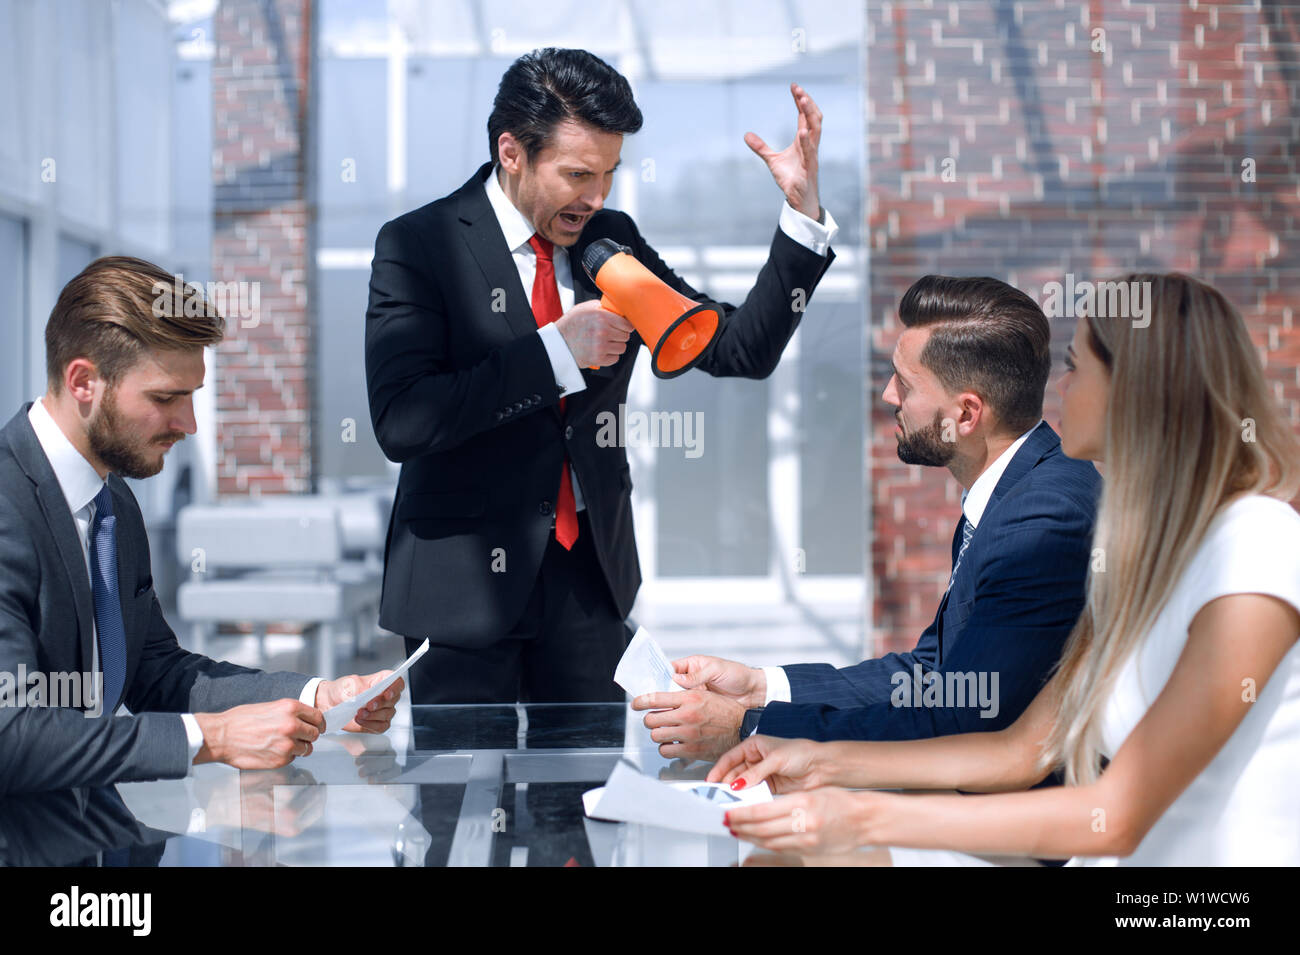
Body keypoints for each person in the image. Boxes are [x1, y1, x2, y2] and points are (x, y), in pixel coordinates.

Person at [711, 273, 1300, 866]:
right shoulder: (1146, 554)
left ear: (1135, 391)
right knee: (777, 857)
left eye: (1077, 366)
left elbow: (1116, 818)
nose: (1061, 387)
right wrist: (813, 758)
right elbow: (1021, 750)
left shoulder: (1254, 546)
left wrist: (860, 813)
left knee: (807, 856)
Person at [365, 47, 838, 705]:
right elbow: (403, 419)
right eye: (578, 174)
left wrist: (801, 219)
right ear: (512, 152)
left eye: (610, 173)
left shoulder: (608, 240)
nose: (596, 196)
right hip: (460, 591)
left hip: (590, 583)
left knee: (581, 799)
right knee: (460, 803)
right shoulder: (421, 245)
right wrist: (557, 354)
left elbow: (736, 350)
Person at [633, 275, 1101, 759]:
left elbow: (960, 719)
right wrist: (760, 687)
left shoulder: (1043, 519)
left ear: (966, 415)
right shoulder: (1015, 493)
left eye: (904, 382)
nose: (888, 396)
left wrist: (749, 728)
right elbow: (931, 677)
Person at [0, 256, 404, 797]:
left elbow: (156, 671)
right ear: (83, 382)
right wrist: (211, 737)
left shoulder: (111, 498)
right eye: (165, 398)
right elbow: (12, 732)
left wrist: (317, 698)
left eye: (191, 397)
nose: (188, 425)